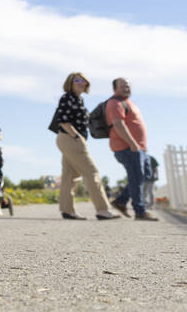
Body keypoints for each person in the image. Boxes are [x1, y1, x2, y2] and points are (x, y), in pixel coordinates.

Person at [50, 73, 119, 221]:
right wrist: (77, 137)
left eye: (83, 80)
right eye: (77, 80)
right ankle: (103, 210)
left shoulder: (79, 100)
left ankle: (67, 211)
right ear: (70, 82)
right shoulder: (67, 97)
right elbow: (63, 120)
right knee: (91, 172)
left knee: (70, 176)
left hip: (70, 139)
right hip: (70, 138)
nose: (81, 82)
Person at [107, 78, 158, 221]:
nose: (126, 89)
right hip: (128, 147)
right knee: (136, 177)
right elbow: (118, 124)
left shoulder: (130, 103)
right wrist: (133, 143)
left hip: (139, 148)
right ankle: (140, 212)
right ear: (115, 89)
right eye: (122, 86)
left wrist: (141, 146)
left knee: (145, 175)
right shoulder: (115, 103)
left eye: (128, 86)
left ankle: (121, 201)